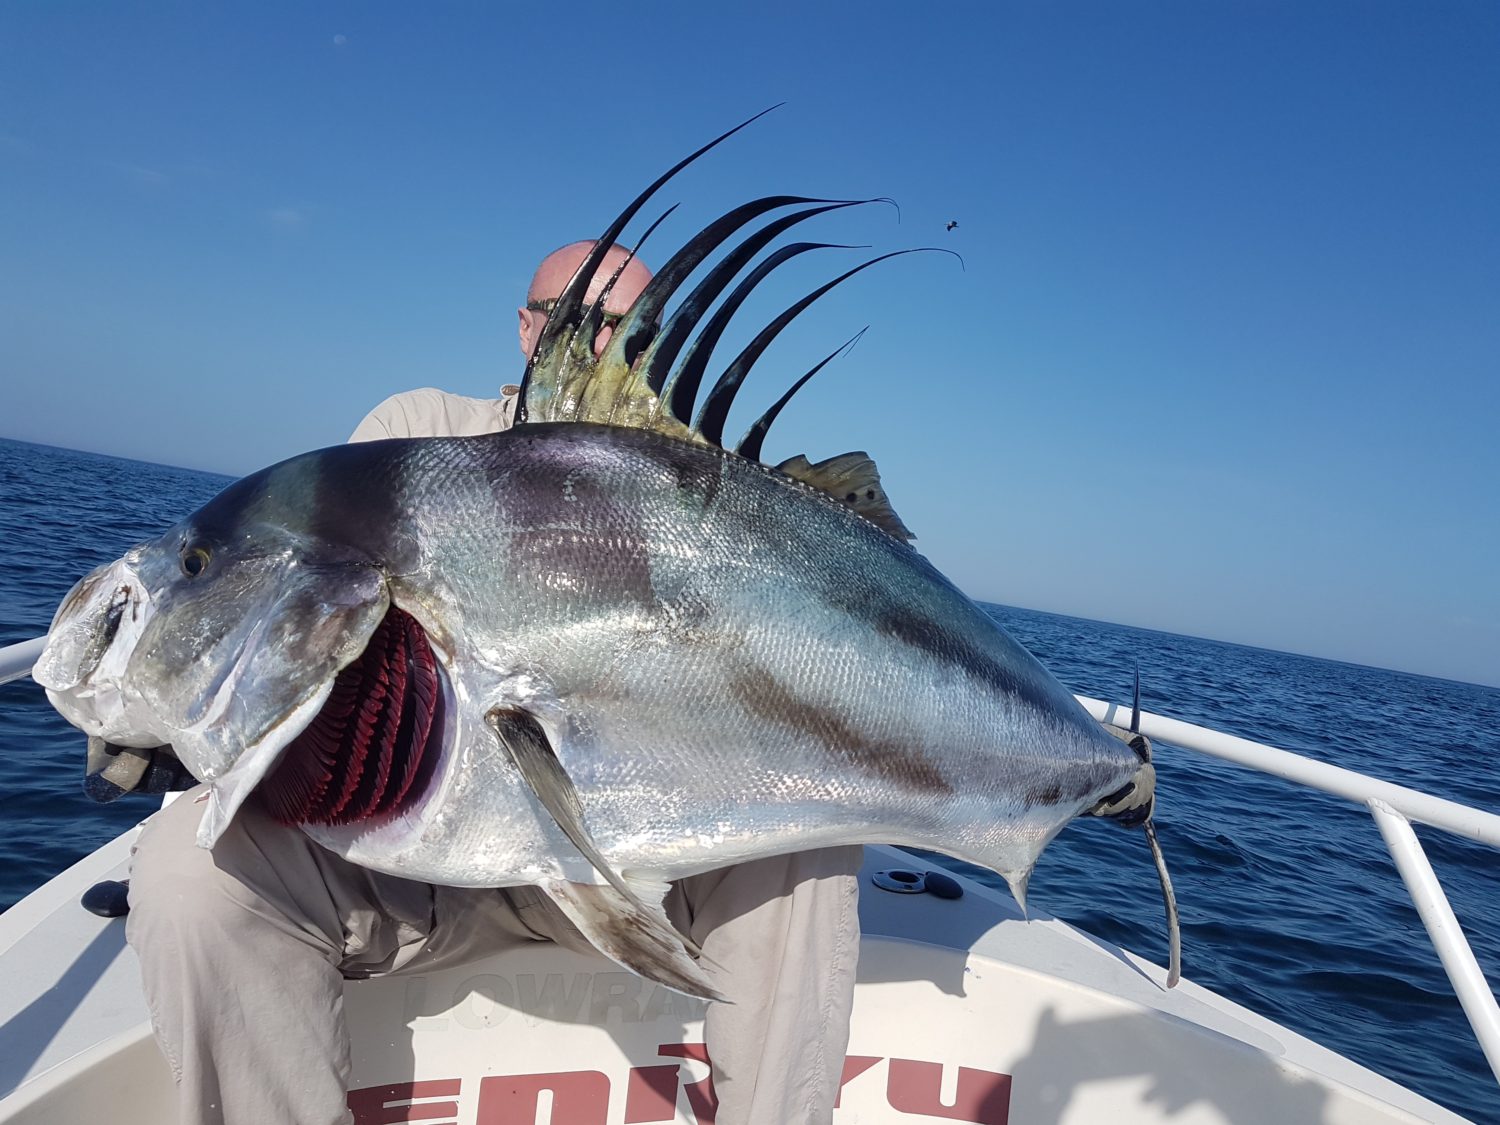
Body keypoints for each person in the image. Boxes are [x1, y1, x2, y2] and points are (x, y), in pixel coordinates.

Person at [125, 240, 864, 1125]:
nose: (598, 347)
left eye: (628, 329)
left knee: (810, 846)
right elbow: (310, 628)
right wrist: (180, 710)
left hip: (635, 855)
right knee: (188, 871)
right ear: (526, 326)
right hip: (414, 861)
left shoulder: (707, 500)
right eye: (574, 320)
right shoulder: (416, 432)